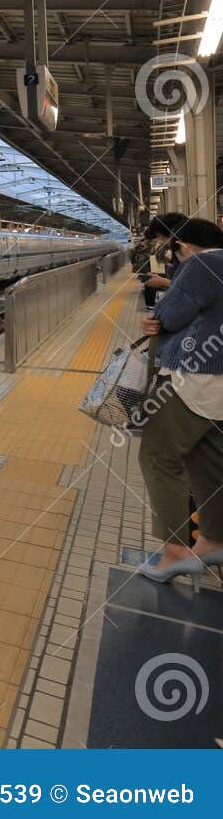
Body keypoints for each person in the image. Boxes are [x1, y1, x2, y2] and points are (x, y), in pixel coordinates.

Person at [136, 217, 223, 582]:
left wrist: (156, 318)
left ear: (183, 244)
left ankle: (174, 551)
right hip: (218, 383)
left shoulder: (202, 264)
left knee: (157, 455)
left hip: (196, 378)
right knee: (210, 462)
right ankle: (214, 542)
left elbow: (168, 314)